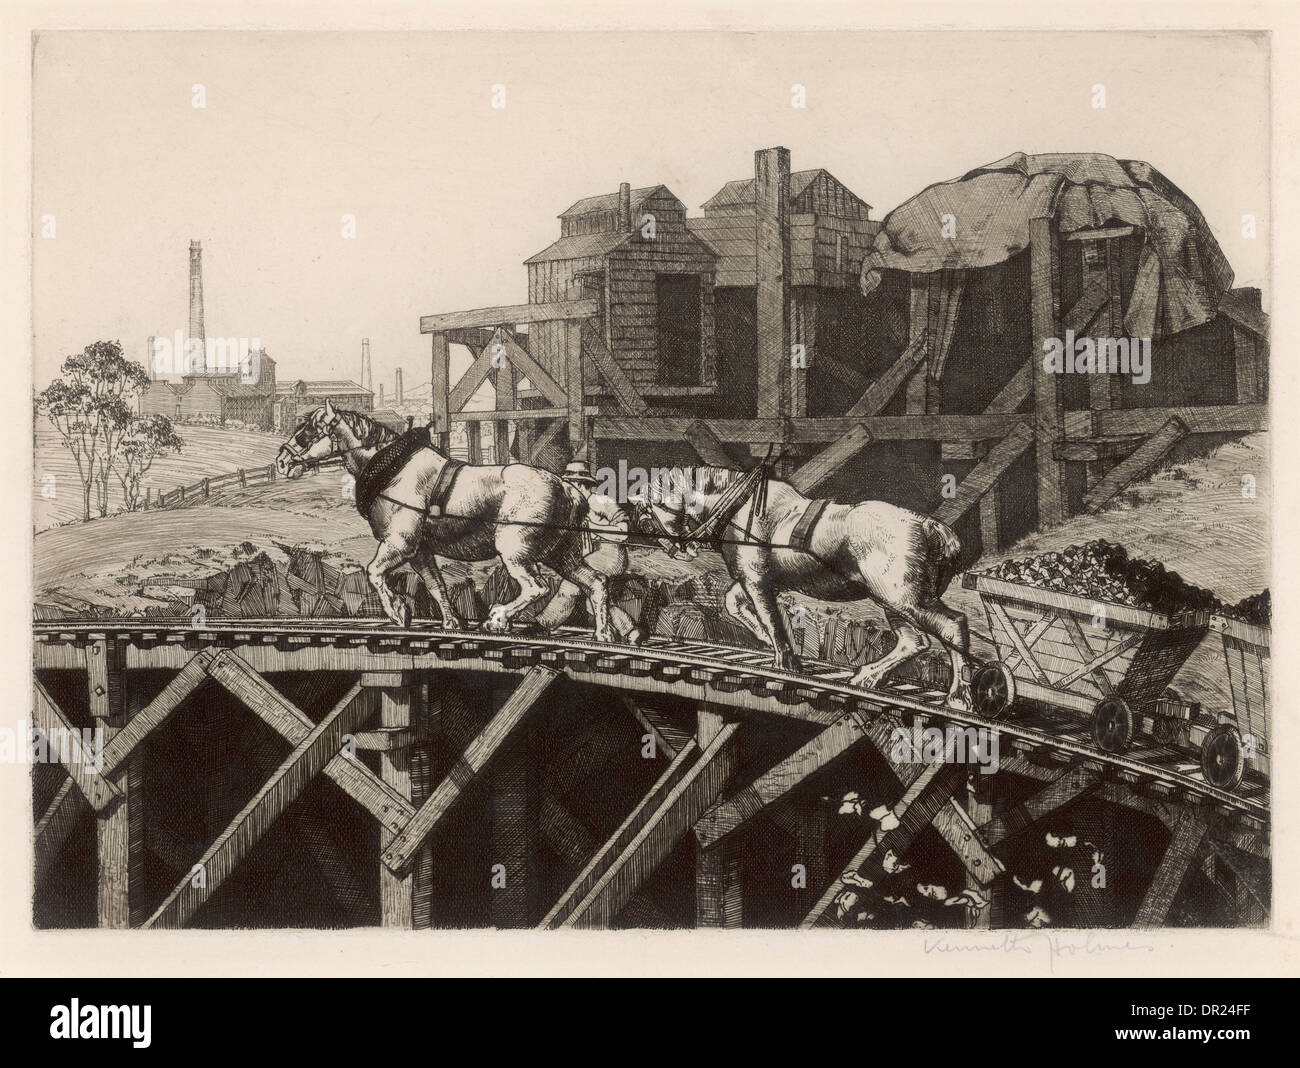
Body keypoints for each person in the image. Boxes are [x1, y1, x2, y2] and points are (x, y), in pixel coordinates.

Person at [534, 460, 643, 643]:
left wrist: (592, 527)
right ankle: (631, 631)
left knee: (570, 587)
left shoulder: (602, 501)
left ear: (581, 484)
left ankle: (543, 626)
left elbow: (624, 532)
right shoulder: (569, 504)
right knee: (593, 602)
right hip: (587, 556)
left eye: (569, 483)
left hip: (609, 554)